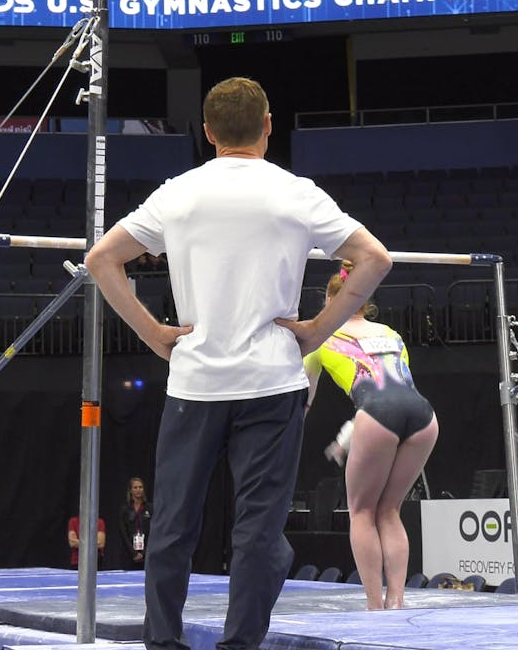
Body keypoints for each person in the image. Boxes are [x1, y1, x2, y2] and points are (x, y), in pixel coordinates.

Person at [85, 76, 391, 650]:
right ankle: (241, 644)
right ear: (269, 126)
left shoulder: (177, 192)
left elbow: (102, 260)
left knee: (172, 525)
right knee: (258, 529)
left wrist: (153, 333)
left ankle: (164, 643)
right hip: (271, 384)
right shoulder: (298, 193)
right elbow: (374, 258)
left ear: (207, 133)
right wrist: (317, 331)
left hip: (195, 382)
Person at [302, 261, 438, 610]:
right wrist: (352, 433)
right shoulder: (390, 334)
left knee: (361, 511)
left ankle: (374, 605)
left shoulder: (321, 338)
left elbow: (306, 399)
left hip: (377, 414)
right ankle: (397, 599)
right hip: (423, 416)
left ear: (330, 302)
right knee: (390, 509)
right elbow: (398, 390)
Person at [116, 476, 153, 570]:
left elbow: (153, 531)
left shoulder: (150, 508)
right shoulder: (125, 510)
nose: (138, 490)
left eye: (140, 487)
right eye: (135, 487)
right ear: (130, 490)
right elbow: (123, 533)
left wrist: (143, 553)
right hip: (128, 554)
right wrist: (134, 553)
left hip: (146, 553)